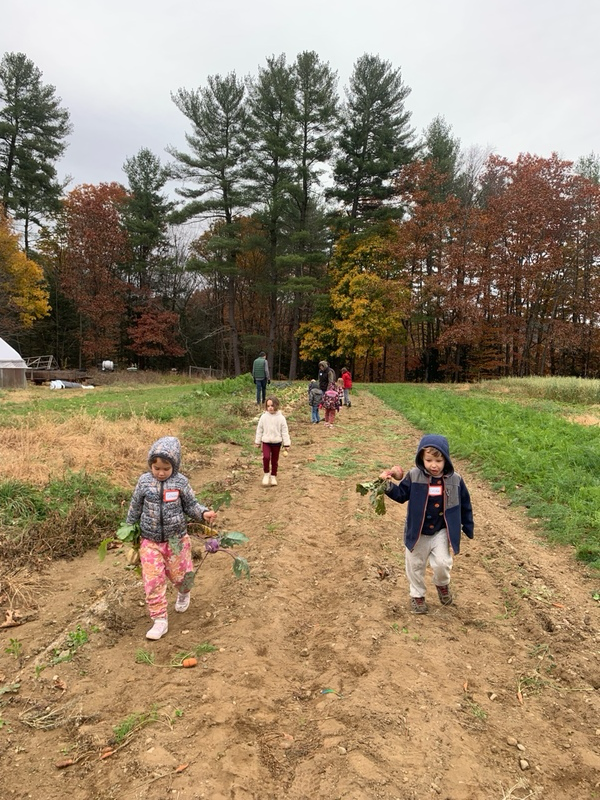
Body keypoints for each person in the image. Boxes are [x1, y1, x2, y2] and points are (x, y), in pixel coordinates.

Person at [126, 436, 217, 640]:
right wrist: (128, 528)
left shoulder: (180, 483)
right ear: (151, 464)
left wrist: (203, 513)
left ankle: (184, 592)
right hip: (150, 541)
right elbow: (135, 506)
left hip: (176, 540)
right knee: (153, 580)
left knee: (181, 576)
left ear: (174, 466)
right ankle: (159, 619)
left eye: (165, 468)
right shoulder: (144, 482)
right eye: (156, 467)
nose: (160, 472)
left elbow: (191, 505)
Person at [379, 434, 474, 615]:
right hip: (418, 531)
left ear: (446, 460)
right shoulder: (414, 476)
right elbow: (400, 495)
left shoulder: (455, 480)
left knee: (442, 563)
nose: (434, 465)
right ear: (422, 459)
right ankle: (418, 596)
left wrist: (468, 526)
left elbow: (465, 504)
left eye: (439, 460)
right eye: (429, 460)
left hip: (440, 531)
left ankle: (442, 584)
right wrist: (386, 484)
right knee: (415, 565)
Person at [255, 395, 291, 486]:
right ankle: (266, 474)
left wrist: (286, 444)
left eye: (272, 406)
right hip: (266, 441)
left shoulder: (281, 418)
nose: (270, 408)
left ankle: (273, 476)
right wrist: (257, 441)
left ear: (276, 405)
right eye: (268, 406)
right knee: (266, 457)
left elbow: (284, 431)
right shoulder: (263, 417)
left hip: (277, 442)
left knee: (275, 461)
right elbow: (259, 429)